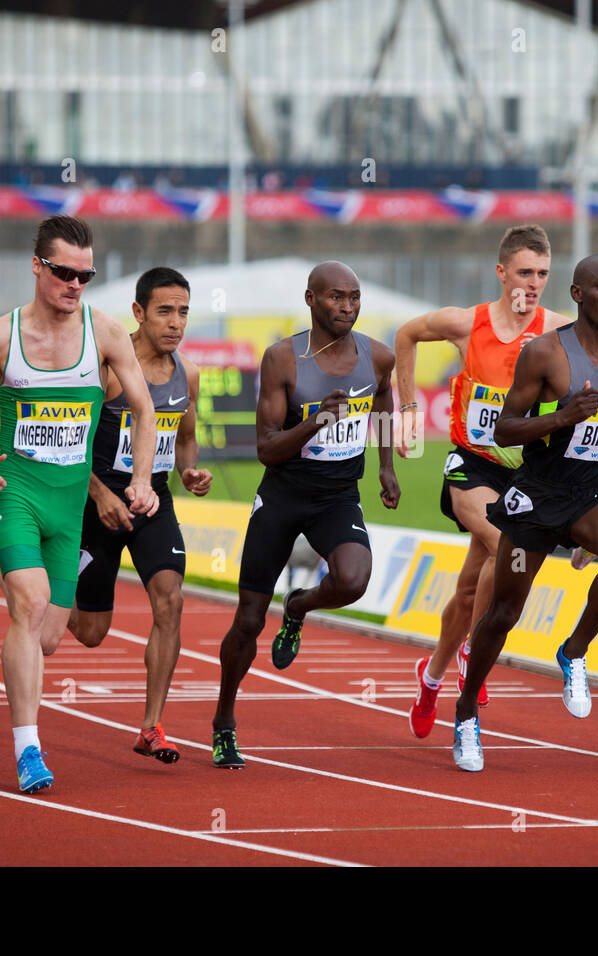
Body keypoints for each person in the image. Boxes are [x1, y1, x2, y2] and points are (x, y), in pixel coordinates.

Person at [0, 266, 211, 764]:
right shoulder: (107, 363)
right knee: (86, 634)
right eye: (164, 311)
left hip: (150, 498)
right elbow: (74, 445)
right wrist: (100, 495)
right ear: (138, 313)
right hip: (94, 501)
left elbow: (183, 436)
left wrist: (191, 471)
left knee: (170, 599)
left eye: (183, 312)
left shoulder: (190, 374)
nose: (176, 323)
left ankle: (151, 725)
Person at [0, 215, 159, 793]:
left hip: (70, 506)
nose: (75, 284)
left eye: (85, 275)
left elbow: (144, 409)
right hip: (16, 489)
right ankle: (28, 750)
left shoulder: (107, 334)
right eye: (64, 272)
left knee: (47, 638)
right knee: (31, 602)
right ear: (38, 266)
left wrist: (141, 477)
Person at [452, 255, 598, 772]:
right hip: (539, 496)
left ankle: (574, 651)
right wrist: (562, 417)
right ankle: (467, 710)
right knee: (504, 612)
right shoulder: (543, 353)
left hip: (592, 493)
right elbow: (504, 430)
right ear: (578, 294)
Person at [211, 261, 399, 768]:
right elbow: (267, 450)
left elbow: (384, 400)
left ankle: (297, 608)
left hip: (338, 495)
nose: (347, 307)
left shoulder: (378, 356)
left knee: (354, 580)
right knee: (248, 621)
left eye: (355, 297)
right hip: (283, 495)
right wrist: (315, 422)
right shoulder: (282, 359)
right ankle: (224, 719)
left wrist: (385, 467)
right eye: (336, 297)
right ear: (311, 300)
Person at [394, 224, 572, 736]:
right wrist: (407, 409)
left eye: (542, 273)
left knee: (471, 588)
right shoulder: (464, 323)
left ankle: (431, 677)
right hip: (471, 465)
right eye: (524, 272)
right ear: (501, 272)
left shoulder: (559, 328)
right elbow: (406, 334)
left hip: (527, 471)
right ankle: (476, 647)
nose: (533, 283)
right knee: (505, 546)